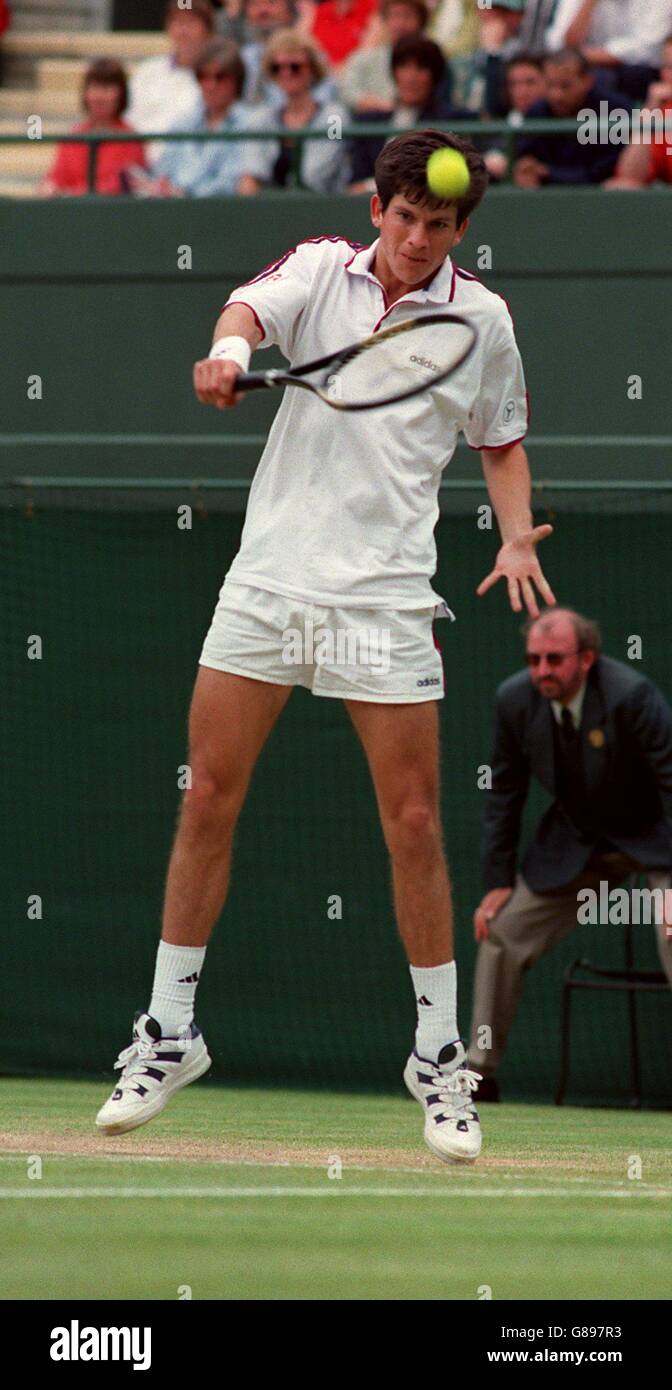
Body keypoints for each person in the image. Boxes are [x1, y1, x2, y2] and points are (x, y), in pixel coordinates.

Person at [95, 127, 555, 1165]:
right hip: (267, 582)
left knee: (414, 821)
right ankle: (169, 1031)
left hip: (386, 599)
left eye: (439, 226)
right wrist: (227, 355)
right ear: (375, 208)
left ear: (460, 229)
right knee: (207, 794)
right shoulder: (315, 268)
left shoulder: (483, 320)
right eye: (405, 219)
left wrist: (517, 525)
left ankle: (439, 1056)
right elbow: (246, 312)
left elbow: (502, 440)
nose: (417, 240)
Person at [468, 608, 672, 1101]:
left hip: (657, 841)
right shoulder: (515, 700)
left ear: (586, 659)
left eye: (554, 660)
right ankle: (479, 1073)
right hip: (577, 845)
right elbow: (504, 793)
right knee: (501, 933)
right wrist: (498, 881)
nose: (542, 671)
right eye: (534, 659)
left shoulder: (631, 696)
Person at [128, 39, 258, 198]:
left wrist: (184, 193)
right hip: (173, 211)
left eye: (220, 77)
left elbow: (233, 183)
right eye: (203, 76)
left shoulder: (253, 123)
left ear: (236, 80)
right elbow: (163, 170)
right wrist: (160, 186)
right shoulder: (183, 122)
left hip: (222, 215)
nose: (210, 85)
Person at [348, 36, 472, 192]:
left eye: (421, 68)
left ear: (434, 76)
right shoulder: (368, 123)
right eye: (404, 66)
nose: (411, 77)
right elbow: (356, 184)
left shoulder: (454, 120)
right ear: (395, 73)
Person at [243, 30, 350, 192]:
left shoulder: (335, 117)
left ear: (312, 69)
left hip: (322, 206)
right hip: (269, 209)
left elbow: (316, 174)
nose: (286, 73)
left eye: (295, 67)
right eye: (277, 67)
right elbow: (250, 172)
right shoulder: (263, 119)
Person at [513, 47, 632, 187]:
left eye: (565, 86)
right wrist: (526, 169)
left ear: (587, 81)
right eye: (550, 85)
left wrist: (549, 172)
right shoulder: (537, 113)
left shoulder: (614, 111)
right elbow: (526, 158)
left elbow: (604, 172)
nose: (557, 95)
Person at [37, 60, 147, 198]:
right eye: (94, 87)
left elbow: (118, 187)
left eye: (107, 88)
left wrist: (70, 193)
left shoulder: (131, 139)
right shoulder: (73, 136)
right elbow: (57, 177)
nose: (99, 96)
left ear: (121, 94)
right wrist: (49, 186)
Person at [126, 0, 215, 149]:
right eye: (177, 22)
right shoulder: (147, 71)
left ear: (208, 30)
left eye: (191, 22)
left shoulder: (217, 78)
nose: (183, 31)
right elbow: (128, 120)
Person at [545, 0, 672, 100]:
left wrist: (579, 55)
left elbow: (647, 47)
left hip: (640, 72)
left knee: (628, 76)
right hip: (586, 68)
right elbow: (561, 45)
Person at [338, 0, 429, 115]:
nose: (401, 23)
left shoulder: (431, 60)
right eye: (395, 15)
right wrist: (377, 104)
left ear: (421, 21)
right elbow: (347, 93)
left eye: (408, 16)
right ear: (385, 21)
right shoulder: (362, 60)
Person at [605, 36, 672, 189]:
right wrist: (650, 109)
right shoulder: (662, 112)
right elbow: (630, 174)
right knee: (620, 187)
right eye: (669, 67)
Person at [483, 52, 547, 181]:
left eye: (530, 82)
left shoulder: (557, 117)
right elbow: (493, 159)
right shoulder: (501, 125)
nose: (522, 92)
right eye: (514, 84)